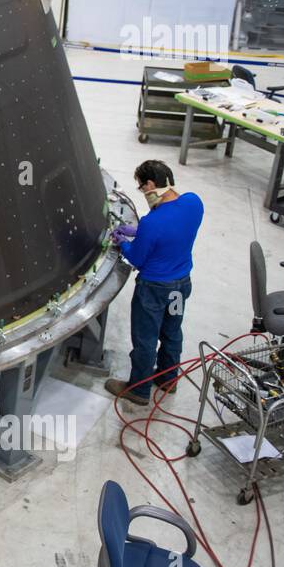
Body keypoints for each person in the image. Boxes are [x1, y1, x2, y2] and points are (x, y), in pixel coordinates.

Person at [106, 160, 204, 406]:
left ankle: (138, 389)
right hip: (180, 287)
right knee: (172, 332)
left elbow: (137, 258)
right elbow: (173, 230)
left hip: (153, 291)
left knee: (146, 339)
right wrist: (138, 232)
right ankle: (168, 380)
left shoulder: (152, 222)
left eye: (141, 187)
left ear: (150, 184)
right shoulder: (194, 202)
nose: (143, 192)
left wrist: (123, 241)